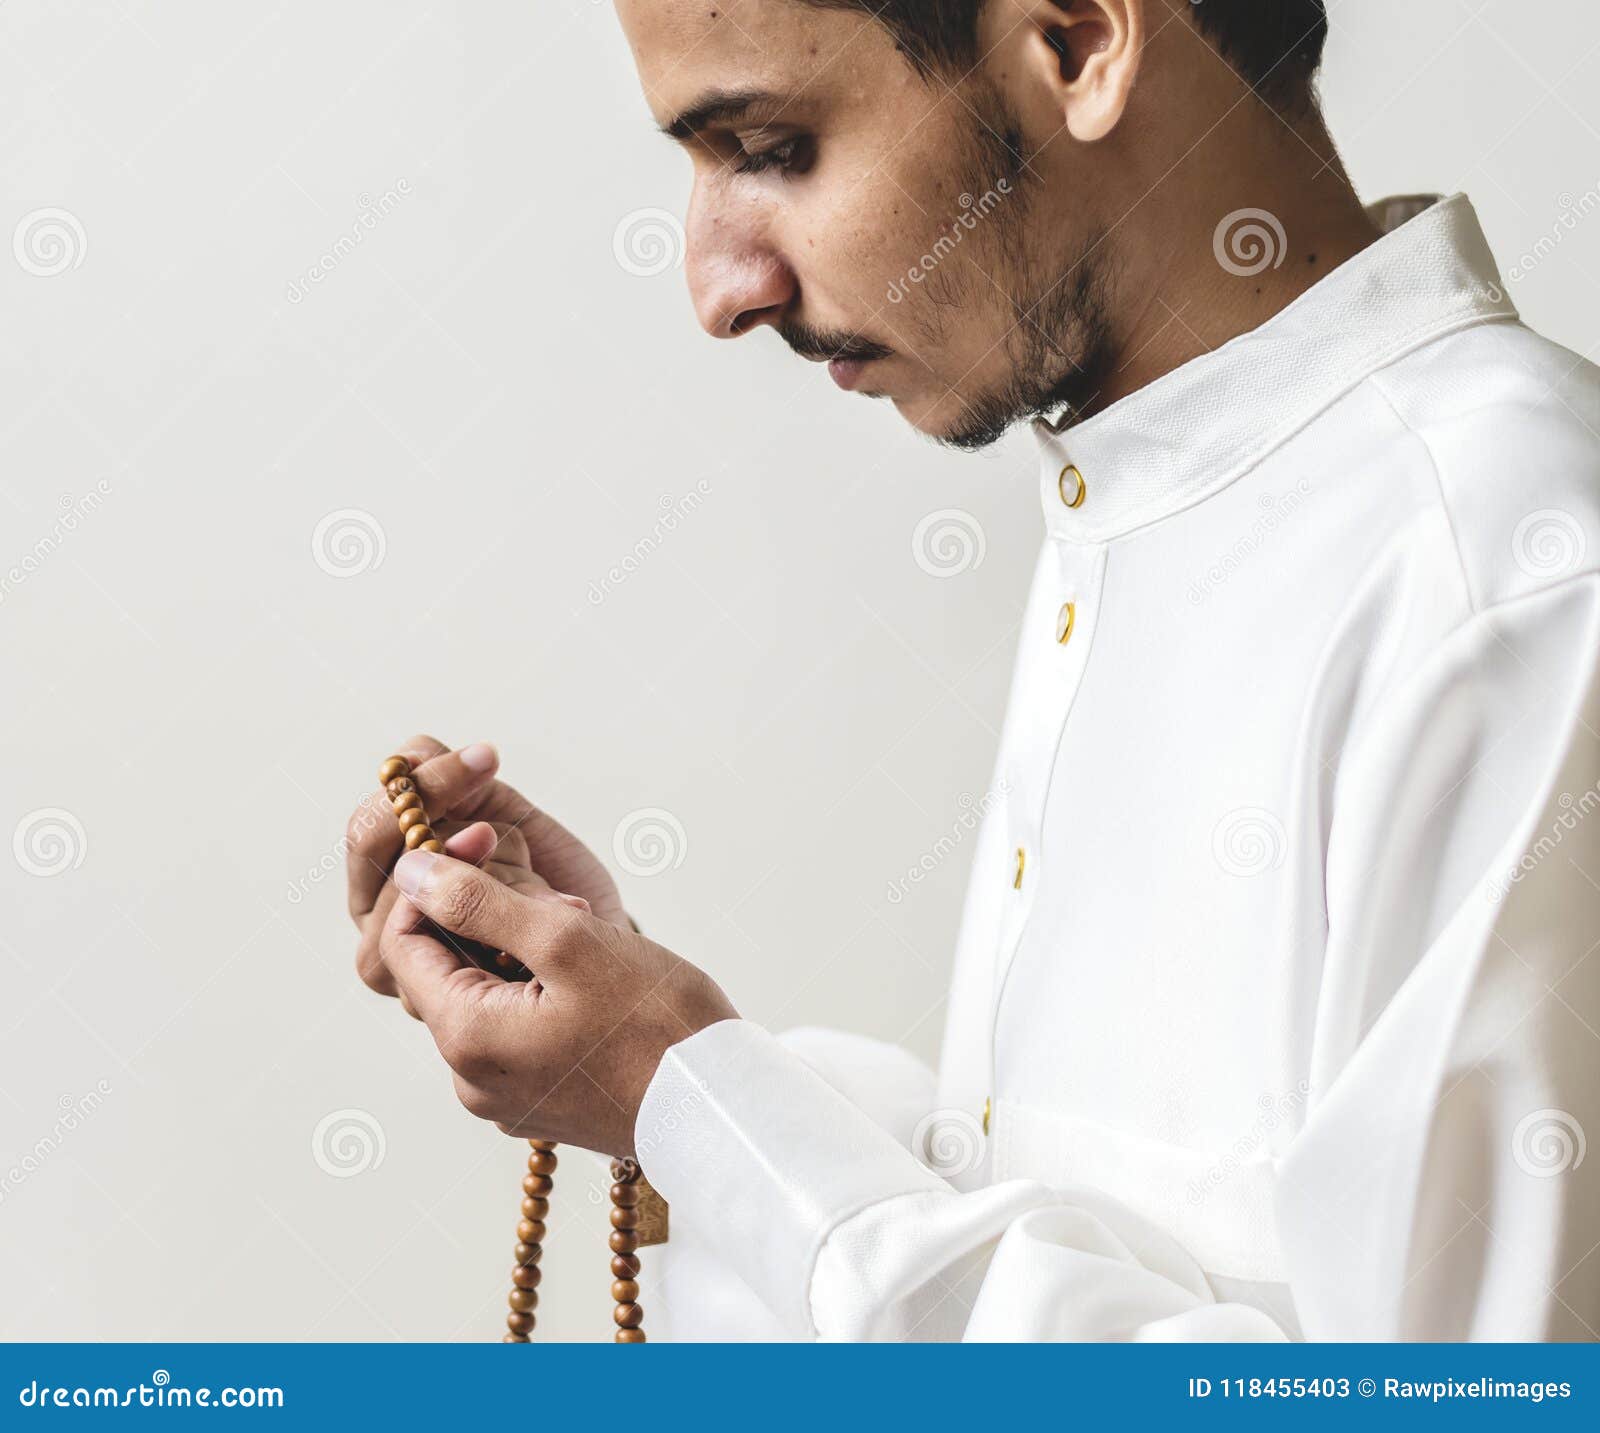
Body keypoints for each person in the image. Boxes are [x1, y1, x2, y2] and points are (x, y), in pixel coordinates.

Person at [347, 0, 1600, 1340]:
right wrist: (646, 1050)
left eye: (773, 146)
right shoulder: (1148, 495)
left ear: (1079, 40)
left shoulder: (1513, 578)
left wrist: (690, 1097)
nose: (719, 288)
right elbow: (1127, 1232)